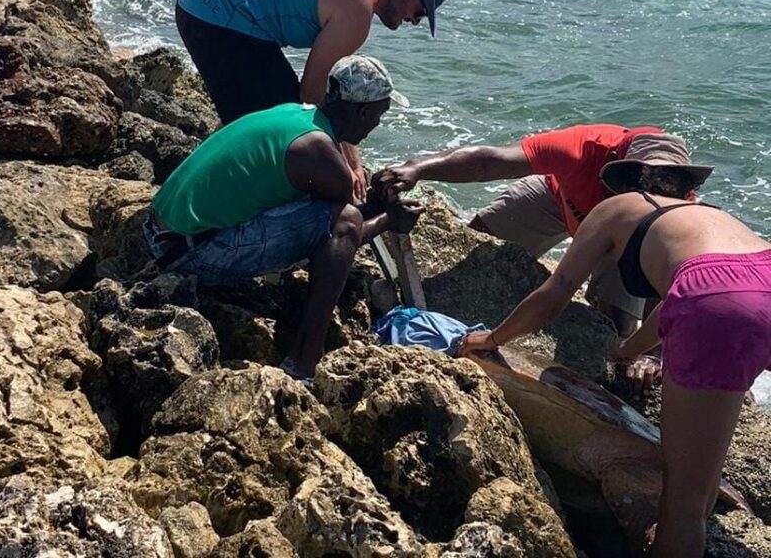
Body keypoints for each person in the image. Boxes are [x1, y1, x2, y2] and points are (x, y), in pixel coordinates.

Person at [455, 153, 771, 558]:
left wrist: (492, 339)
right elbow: (688, 297)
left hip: (716, 303)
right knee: (703, 484)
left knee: (683, 506)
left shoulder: (615, 207)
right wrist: (630, 350)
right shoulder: (708, 216)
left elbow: (556, 292)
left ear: (627, 183)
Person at [142, 54, 423, 383]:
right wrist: (391, 220)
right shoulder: (323, 158)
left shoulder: (294, 115)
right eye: (380, 113)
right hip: (188, 255)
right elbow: (343, 232)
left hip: (158, 231)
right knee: (345, 219)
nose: (377, 123)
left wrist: (377, 206)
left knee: (339, 215)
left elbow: (313, 215)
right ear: (363, 111)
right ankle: (305, 360)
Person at [374, 126, 708, 371]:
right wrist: (418, 168)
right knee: (480, 246)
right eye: (635, 189)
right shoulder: (582, 149)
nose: (645, 199)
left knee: (613, 337)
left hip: (625, 243)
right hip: (559, 200)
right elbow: (489, 162)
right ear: (619, 165)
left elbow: (669, 281)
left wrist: (653, 354)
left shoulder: (677, 199)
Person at [175, 0, 452, 198]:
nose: (414, 21)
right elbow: (312, 92)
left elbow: (323, 95)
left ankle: (203, 185)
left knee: (272, 117)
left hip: (206, 1)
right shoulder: (358, 5)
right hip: (218, 15)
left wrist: (347, 153)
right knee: (284, 138)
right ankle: (212, 203)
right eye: (420, 12)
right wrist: (344, 162)